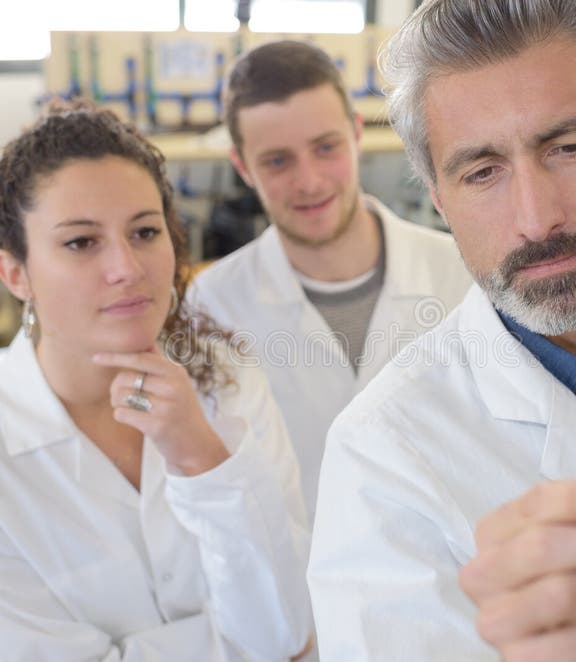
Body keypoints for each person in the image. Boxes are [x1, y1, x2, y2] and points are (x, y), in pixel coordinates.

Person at [307, 2, 576, 661]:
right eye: (483, 172)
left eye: (567, 148)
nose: (536, 220)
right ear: (441, 198)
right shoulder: (383, 458)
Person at [0, 101, 312, 661]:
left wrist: (201, 457)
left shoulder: (230, 382)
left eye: (145, 231)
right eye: (81, 242)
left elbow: (287, 635)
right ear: (15, 273)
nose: (126, 267)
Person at [186, 40, 472, 519]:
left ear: (355, 133)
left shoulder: (459, 274)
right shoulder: (213, 305)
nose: (310, 180)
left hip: (448, 576)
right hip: (298, 584)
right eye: (278, 160)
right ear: (242, 167)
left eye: (325, 147)